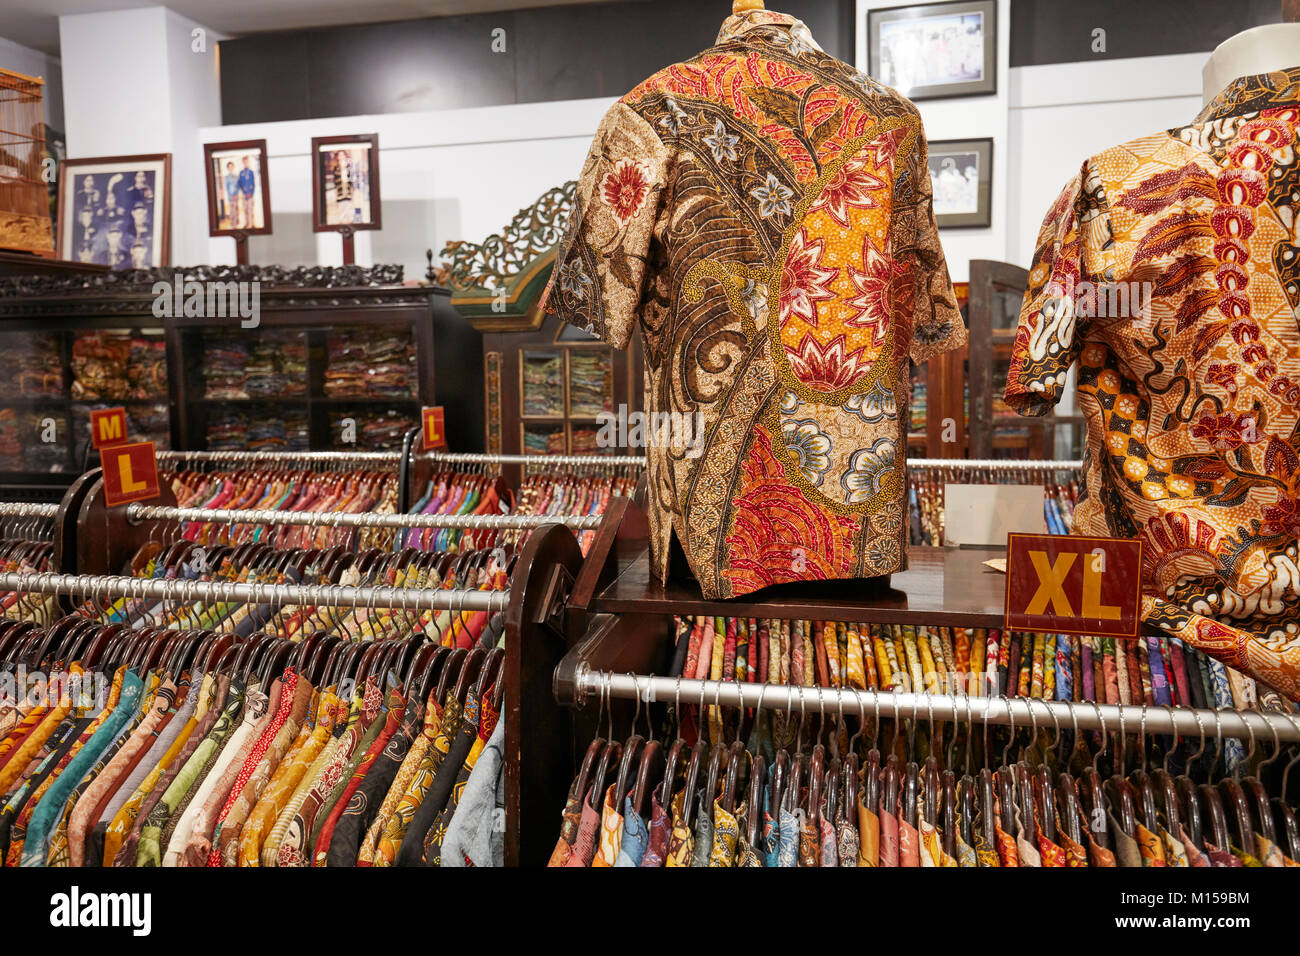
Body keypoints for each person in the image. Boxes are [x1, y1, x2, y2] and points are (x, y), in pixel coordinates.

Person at [237, 155, 258, 228]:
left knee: (250, 210)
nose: (245, 163)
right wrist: (244, 192)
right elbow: (239, 183)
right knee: (245, 209)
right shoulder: (241, 172)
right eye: (244, 162)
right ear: (243, 163)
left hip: (250, 194)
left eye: (247, 162)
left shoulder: (251, 172)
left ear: (248, 162)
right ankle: (246, 223)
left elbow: (253, 183)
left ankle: (251, 224)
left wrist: (251, 193)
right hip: (244, 195)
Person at [223, 160, 239, 228]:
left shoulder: (236, 176)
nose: (231, 168)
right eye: (229, 167)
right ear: (227, 168)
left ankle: (236, 223)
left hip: (236, 196)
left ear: (233, 167)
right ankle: (232, 224)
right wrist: (230, 196)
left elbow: (238, 186)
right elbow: (227, 188)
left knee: (236, 210)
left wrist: (236, 194)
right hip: (230, 197)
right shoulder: (226, 177)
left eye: (232, 166)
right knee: (231, 211)